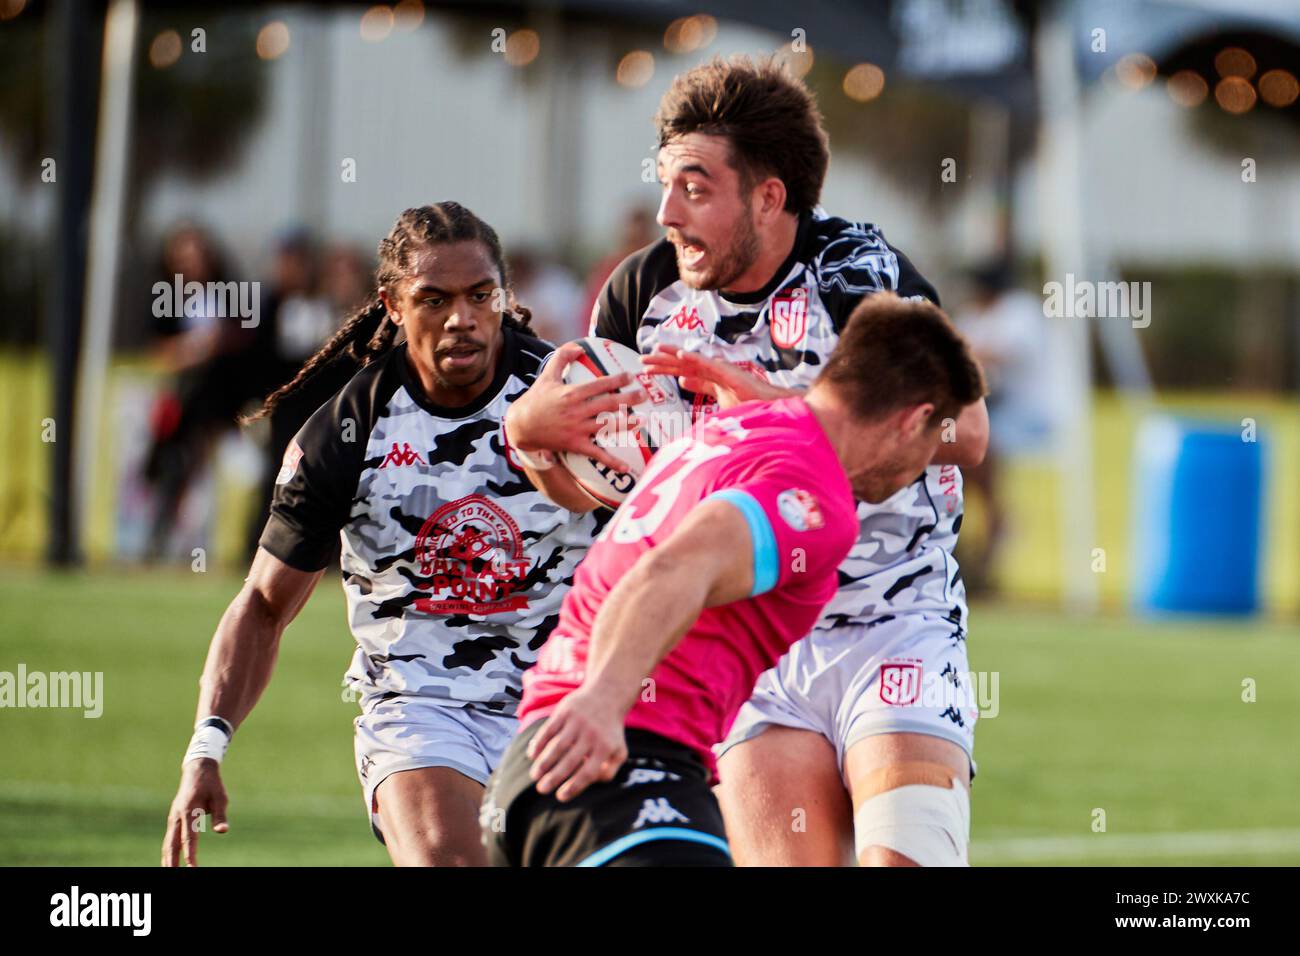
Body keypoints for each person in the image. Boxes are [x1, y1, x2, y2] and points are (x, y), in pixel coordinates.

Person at [504, 55, 990, 867]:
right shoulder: (642, 293)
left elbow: (968, 432)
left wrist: (778, 412)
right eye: (665, 185)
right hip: (751, 638)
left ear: (769, 196)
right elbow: (599, 494)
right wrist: (531, 433)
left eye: (694, 188)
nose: (666, 213)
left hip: (893, 618)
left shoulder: (855, 273)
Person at [161, 202, 633, 867]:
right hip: (420, 709)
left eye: (480, 295)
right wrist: (204, 750)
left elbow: (660, 551)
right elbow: (264, 605)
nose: (462, 318)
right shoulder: (348, 430)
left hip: (570, 701)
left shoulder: (569, 396)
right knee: (451, 860)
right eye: (434, 299)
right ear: (392, 305)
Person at [483, 294, 985, 866]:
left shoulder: (730, 429)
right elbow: (673, 567)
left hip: (543, 761)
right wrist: (602, 702)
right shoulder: (812, 493)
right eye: (930, 450)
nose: (924, 467)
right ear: (915, 420)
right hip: (616, 763)